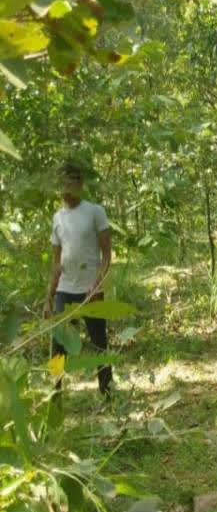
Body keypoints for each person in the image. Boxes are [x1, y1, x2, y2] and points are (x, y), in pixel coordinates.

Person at [44, 162, 113, 397]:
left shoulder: (95, 212)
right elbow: (56, 261)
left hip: (90, 290)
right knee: (58, 345)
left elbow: (106, 253)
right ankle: (54, 395)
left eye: (69, 184)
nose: (65, 190)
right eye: (61, 185)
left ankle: (107, 392)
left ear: (80, 184)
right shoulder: (58, 218)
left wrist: (98, 283)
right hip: (65, 289)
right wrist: (49, 297)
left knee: (98, 342)